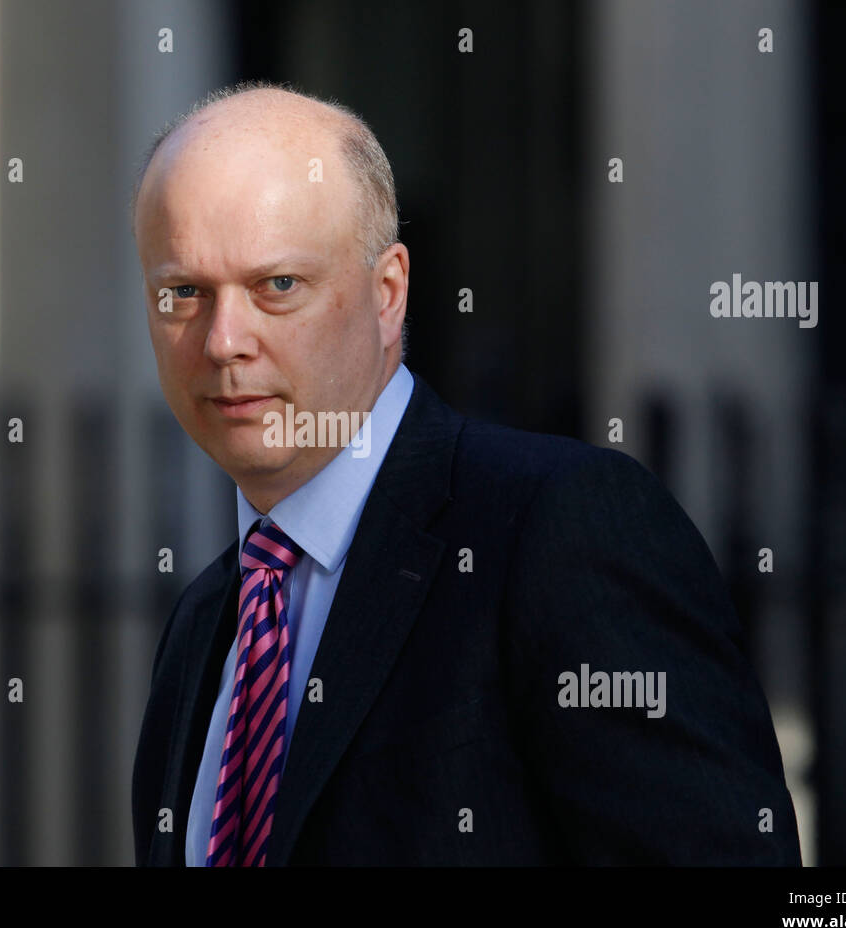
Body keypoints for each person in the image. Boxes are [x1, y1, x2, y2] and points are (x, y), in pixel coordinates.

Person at [129, 80, 801, 866]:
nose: (223, 341)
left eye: (278, 286)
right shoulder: (206, 621)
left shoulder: (556, 531)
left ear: (387, 295)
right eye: (184, 294)